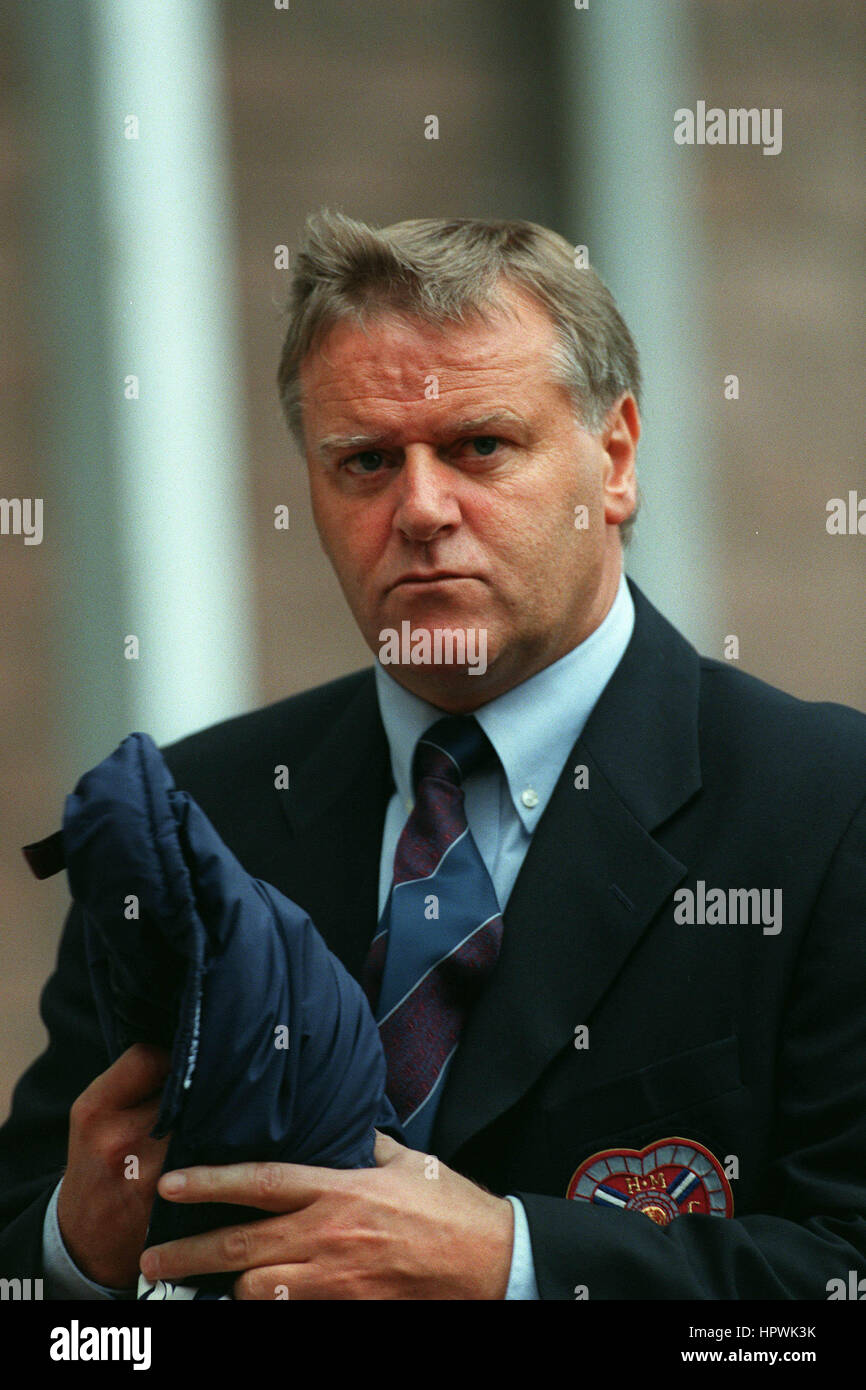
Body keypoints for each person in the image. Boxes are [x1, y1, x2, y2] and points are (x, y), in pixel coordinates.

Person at [2, 212, 865, 1300]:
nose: (418, 509)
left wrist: (517, 1266)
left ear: (614, 459)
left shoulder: (825, 808)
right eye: (365, 461)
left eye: (479, 447)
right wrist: (76, 1248)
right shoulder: (192, 813)